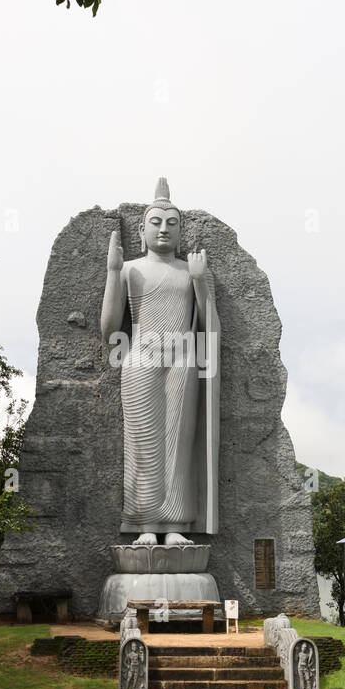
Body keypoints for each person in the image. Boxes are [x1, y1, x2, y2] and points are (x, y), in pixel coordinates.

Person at [101, 179, 220, 545]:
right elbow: (109, 329)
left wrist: (200, 284)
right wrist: (111, 272)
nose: (164, 229)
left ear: (182, 231)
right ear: (141, 229)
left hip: (182, 361)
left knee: (178, 443)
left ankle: (176, 525)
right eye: (156, 222)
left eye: (172, 223)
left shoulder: (191, 271)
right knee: (142, 441)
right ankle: (143, 525)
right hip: (140, 360)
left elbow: (211, 328)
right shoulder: (130, 269)